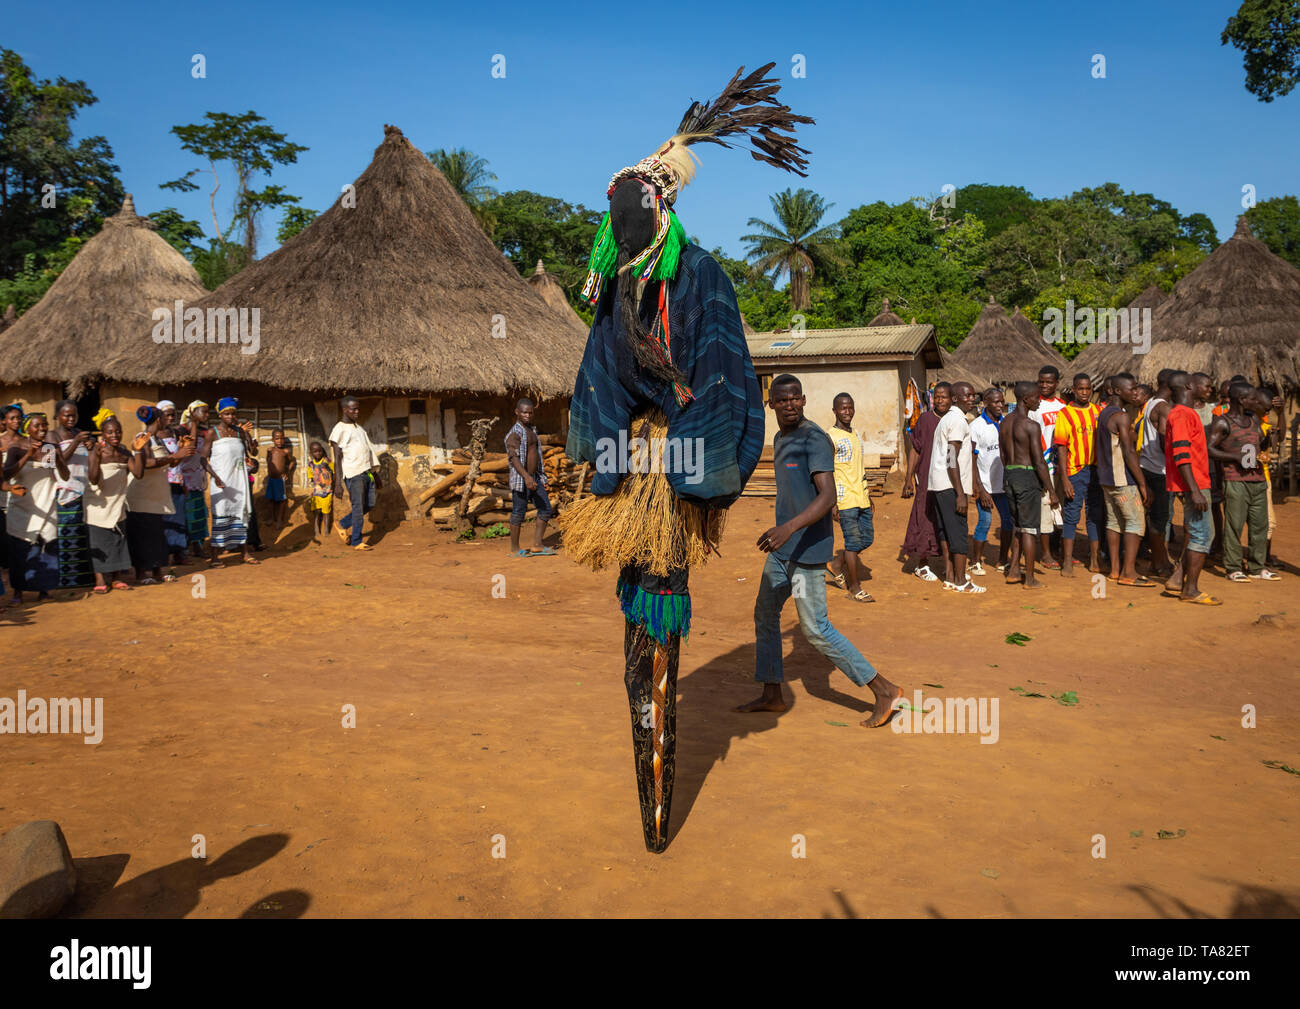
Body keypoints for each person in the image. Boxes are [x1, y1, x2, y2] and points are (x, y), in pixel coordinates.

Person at [736, 375, 903, 725]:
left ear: (805, 399)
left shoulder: (814, 439)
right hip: (783, 553)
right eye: (782, 400)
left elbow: (827, 496)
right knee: (765, 615)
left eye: (795, 398)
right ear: (772, 405)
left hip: (807, 551)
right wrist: (783, 534)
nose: (790, 405)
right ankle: (772, 693)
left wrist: (787, 528)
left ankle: (884, 689)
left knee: (815, 629)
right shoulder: (782, 437)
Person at [1209, 384, 1280, 582]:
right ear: (1241, 399)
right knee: (1234, 525)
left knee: (1260, 525)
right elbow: (1209, 449)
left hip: (1258, 479)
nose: (1256, 402)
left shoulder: (1254, 420)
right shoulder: (1222, 423)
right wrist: (1234, 457)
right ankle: (1233, 567)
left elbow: (1260, 444)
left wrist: (1267, 445)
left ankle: (1257, 567)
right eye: (1253, 399)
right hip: (1235, 480)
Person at [1164, 372, 1219, 604]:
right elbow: (1181, 453)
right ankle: (1191, 589)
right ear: (1189, 385)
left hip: (1195, 482)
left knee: (1202, 533)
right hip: (1194, 483)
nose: (1210, 389)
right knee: (1201, 535)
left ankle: (1179, 579)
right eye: (1206, 385)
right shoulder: (1182, 415)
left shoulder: (1186, 413)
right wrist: (1194, 489)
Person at [1096, 375, 1153, 586]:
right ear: (1118, 392)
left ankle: (1115, 570)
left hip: (1106, 479)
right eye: (1132, 388)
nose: (1135, 392)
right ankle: (1129, 572)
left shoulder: (1103, 414)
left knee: (1114, 522)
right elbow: (1129, 451)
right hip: (1122, 479)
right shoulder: (1121, 416)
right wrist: (1143, 483)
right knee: (1136, 522)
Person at [3, 413, 67, 603]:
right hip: (22, 507)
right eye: (37, 426)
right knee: (21, 551)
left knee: (46, 549)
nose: (42, 429)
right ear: (27, 428)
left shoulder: (50, 449)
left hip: (46, 505)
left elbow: (62, 476)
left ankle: (44, 590)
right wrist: (28, 455)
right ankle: (18, 592)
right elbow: (6, 475)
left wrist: (59, 459)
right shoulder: (17, 449)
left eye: (44, 425)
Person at [1000, 382, 1056, 588]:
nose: (1039, 400)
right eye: (1035, 397)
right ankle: (1030, 579)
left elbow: (1003, 456)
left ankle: (1014, 570)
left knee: (1018, 526)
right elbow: (1040, 461)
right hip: (1027, 477)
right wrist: (1051, 489)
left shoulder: (1004, 423)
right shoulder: (1031, 425)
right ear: (1026, 399)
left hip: (1009, 475)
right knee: (1030, 530)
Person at [126, 405, 191, 584]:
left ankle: (157, 572)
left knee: (156, 535)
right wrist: (173, 456)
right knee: (142, 536)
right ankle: (141, 574)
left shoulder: (158, 439)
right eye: (164, 417)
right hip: (141, 495)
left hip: (155, 495)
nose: (167, 421)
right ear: (158, 420)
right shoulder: (143, 438)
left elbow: (169, 464)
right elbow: (146, 463)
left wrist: (181, 452)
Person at [929, 381, 983, 593]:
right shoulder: (958, 421)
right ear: (955, 398)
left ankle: (951, 576)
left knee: (946, 531)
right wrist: (960, 493)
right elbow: (952, 457)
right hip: (951, 486)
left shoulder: (947, 419)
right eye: (966, 396)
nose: (971, 399)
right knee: (959, 532)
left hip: (940, 484)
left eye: (972, 395)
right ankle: (961, 580)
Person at [85, 416, 144, 593]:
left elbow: (139, 474)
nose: (115, 435)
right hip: (97, 503)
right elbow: (93, 479)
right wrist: (95, 455)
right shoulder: (97, 453)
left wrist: (138, 452)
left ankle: (117, 578)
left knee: (117, 540)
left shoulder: (125, 453)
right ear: (103, 434)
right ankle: (100, 578)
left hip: (117, 502)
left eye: (118, 431)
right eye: (110, 432)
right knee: (99, 540)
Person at [824, 393, 874, 602]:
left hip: (861, 496)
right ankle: (854, 589)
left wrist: (868, 494)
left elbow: (858, 467)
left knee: (867, 538)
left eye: (850, 407)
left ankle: (836, 564)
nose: (847, 412)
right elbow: (826, 470)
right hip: (844, 499)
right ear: (834, 410)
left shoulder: (855, 434)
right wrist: (832, 501)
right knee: (853, 543)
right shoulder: (829, 437)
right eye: (842, 408)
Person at [1054, 374, 1104, 577]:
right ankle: (1067, 561)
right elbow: (1062, 448)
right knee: (1072, 516)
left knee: (1094, 515)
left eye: (1088, 389)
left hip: (1096, 471)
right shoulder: (1064, 414)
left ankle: (1094, 559)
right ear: (1073, 389)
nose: (1084, 392)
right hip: (1075, 471)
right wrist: (1065, 478)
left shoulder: (1098, 411)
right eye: (1080, 389)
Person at [901, 383, 949, 582]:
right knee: (924, 520)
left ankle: (949, 566)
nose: (939, 400)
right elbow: (916, 449)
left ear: (952, 398)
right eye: (936, 397)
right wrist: (908, 479)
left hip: (948, 481)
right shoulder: (926, 419)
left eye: (944, 397)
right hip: (927, 481)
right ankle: (922, 565)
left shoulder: (956, 420)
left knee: (947, 522)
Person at [207, 398, 259, 567]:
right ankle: (215, 556)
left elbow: (252, 451)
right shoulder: (212, 433)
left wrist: (250, 439)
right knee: (220, 516)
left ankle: (244, 553)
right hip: (221, 482)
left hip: (238, 482)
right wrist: (214, 476)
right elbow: (202, 459)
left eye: (233, 413)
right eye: (227, 413)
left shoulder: (239, 432)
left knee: (240, 515)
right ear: (220, 415)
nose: (230, 416)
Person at [51, 399, 93, 589]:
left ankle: (84, 578)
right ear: (58, 416)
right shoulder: (52, 436)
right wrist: (76, 442)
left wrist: (89, 446)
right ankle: (66, 580)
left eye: (74, 415)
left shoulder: (79, 433)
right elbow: (58, 460)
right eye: (66, 415)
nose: (71, 418)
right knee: (66, 535)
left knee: (83, 536)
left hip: (84, 489)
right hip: (65, 491)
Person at [504, 398, 555, 557]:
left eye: (530, 412)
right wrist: (526, 477)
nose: (527, 415)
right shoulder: (515, 433)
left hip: (534, 478)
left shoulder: (532, 430)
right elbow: (514, 458)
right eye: (524, 412)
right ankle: (514, 549)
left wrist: (541, 478)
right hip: (522, 479)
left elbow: (536, 456)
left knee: (546, 508)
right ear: (517, 412)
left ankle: (537, 545)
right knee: (518, 512)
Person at [330, 396, 382, 551]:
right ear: (345, 409)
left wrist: (376, 474)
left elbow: (369, 452)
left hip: (366, 472)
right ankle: (357, 541)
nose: (357, 412)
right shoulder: (338, 430)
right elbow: (337, 459)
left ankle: (342, 524)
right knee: (358, 507)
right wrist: (337, 483)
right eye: (353, 409)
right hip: (353, 474)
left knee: (370, 504)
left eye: (358, 408)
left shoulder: (359, 429)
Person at [970, 388, 1012, 575]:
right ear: (985, 403)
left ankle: (1002, 560)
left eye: (1002, 402)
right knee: (985, 521)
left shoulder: (1007, 423)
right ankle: (975, 561)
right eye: (995, 402)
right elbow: (971, 459)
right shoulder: (977, 426)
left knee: (1008, 522)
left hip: (1003, 485)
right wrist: (980, 488)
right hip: (985, 485)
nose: (1000, 405)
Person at [1137, 369, 1175, 576]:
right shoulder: (1164, 407)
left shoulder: (1150, 402)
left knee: (1154, 517)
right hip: (1160, 470)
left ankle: (1159, 560)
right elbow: (1164, 441)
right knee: (1160, 519)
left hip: (1148, 465)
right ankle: (1159, 563)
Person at [1029, 365, 1067, 569]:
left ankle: (1058, 548)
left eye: (1049, 382)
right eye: (1041, 381)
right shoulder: (1034, 407)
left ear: (1057, 383)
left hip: (1062, 466)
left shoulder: (1062, 406)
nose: (1044, 385)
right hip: (1044, 464)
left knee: (1061, 507)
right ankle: (1044, 553)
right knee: (1046, 507)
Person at [178, 401, 212, 554]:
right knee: (188, 513)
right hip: (185, 479)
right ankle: (188, 546)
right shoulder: (181, 431)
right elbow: (190, 447)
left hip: (198, 477)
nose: (207, 415)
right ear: (193, 413)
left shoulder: (204, 432)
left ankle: (198, 544)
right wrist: (193, 423)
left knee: (199, 513)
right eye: (203, 412)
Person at [265, 428, 296, 529]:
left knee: (282, 500)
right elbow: (268, 461)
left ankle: (280, 520)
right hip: (271, 479)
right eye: (277, 438)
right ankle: (270, 518)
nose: (280, 441)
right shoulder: (270, 450)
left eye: (282, 438)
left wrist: (287, 472)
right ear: (273, 440)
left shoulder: (285, 451)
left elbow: (292, 462)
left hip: (279, 480)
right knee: (270, 499)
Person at [305, 441, 335, 541]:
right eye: (315, 452)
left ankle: (326, 529)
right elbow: (311, 478)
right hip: (317, 492)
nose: (318, 453)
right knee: (317, 512)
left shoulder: (327, 461)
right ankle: (316, 529)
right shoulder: (311, 465)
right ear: (311, 453)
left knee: (326, 511)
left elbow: (333, 472)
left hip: (327, 491)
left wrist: (333, 484)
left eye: (319, 451)